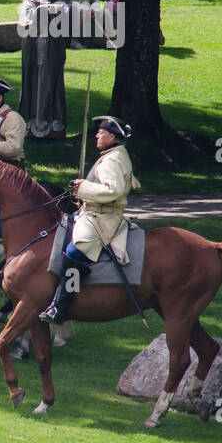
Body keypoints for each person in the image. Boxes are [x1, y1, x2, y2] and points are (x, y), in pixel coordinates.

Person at [41, 116, 140, 324]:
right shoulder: (111, 154)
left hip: (103, 218)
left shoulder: (113, 159)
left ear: (112, 136)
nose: (96, 135)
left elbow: (113, 191)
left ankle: (61, 307)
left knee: (74, 250)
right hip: (92, 213)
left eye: (101, 133)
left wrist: (83, 187)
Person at [18, 0, 72, 140]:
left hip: (53, 33)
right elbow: (32, 0)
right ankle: (35, 120)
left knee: (53, 72)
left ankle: (52, 121)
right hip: (37, 31)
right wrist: (50, 6)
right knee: (38, 73)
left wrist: (58, 6)